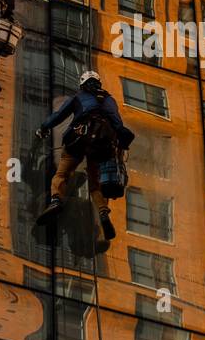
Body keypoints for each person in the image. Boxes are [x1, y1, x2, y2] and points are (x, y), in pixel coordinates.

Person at [35, 70, 135, 242]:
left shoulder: (79, 97)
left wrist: (44, 128)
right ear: (99, 83)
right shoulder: (110, 100)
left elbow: (59, 116)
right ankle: (103, 212)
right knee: (95, 184)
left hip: (78, 139)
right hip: (102, 146)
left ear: (82, 84)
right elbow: (118, 125)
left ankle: (56, 201)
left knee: (62, 174)